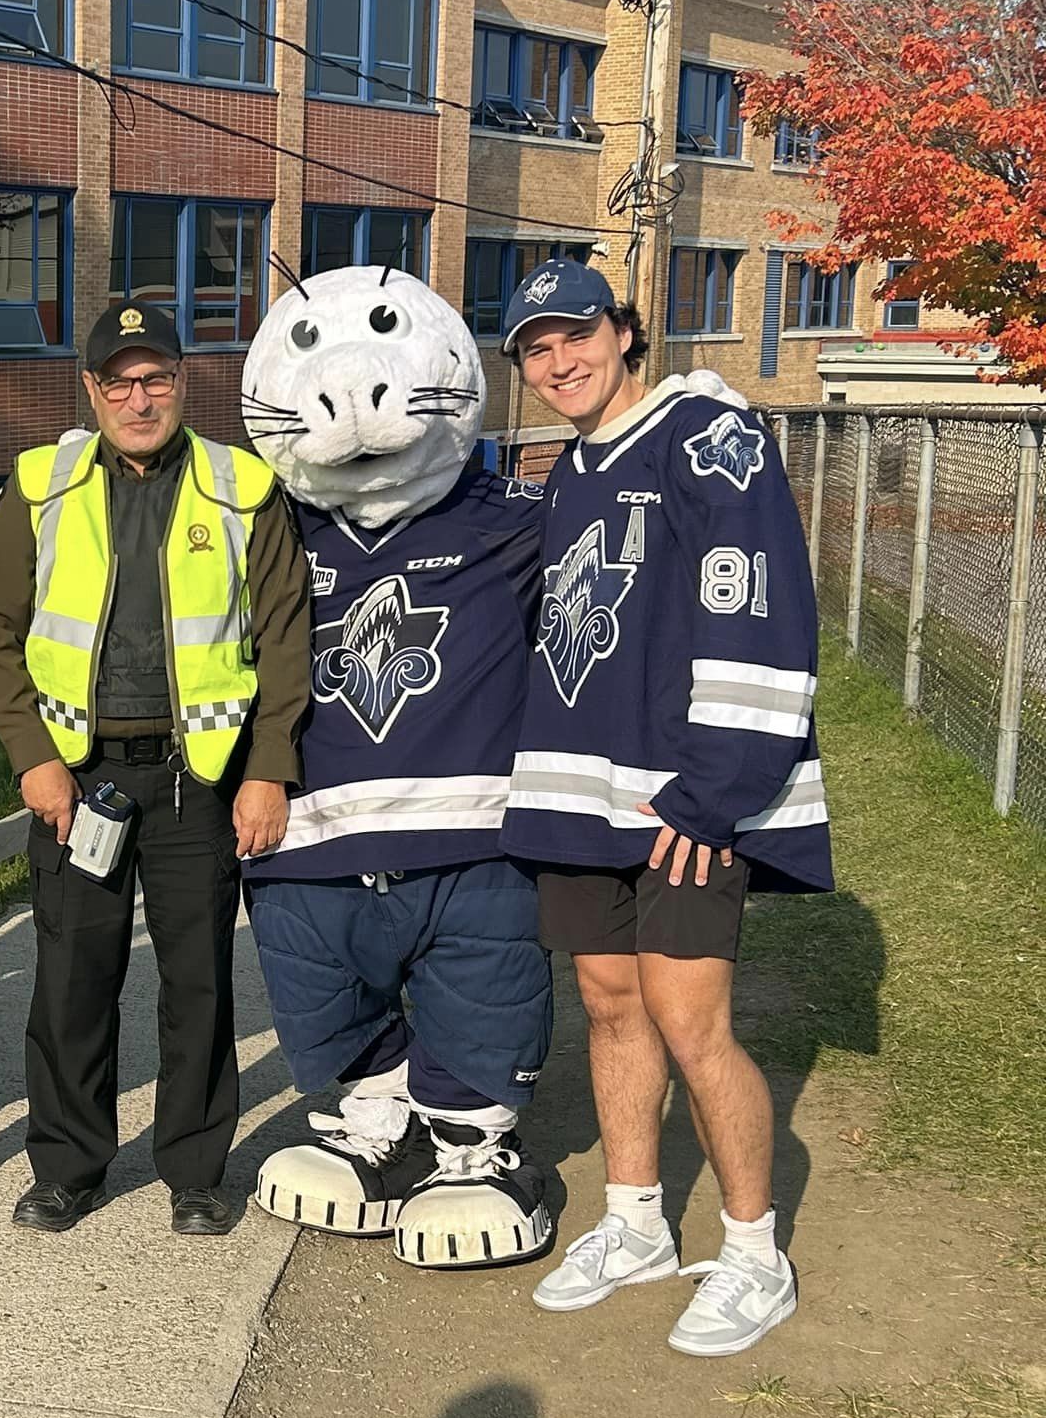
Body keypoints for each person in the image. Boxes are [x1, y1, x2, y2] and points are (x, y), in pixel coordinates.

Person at [496, 259, 834, 1355]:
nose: (559, 362)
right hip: (582, 792)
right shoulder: (571, 466)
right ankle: (635, 1223)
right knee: (608, 1006)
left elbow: (757, 603)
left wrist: (714, 790)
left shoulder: (706, 433)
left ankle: (753, 1252)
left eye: (576, 335)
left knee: (691, 1022)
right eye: (535, 349)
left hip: (680, 798)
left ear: (624, 330)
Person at [236, 264, 557, 1269]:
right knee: (318, 979)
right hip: (310, 828)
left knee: (482, 978)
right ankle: (376, 1120)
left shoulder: (514, 520)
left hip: (470, 829)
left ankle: (473, 1145)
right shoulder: (263, 531)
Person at [0, 302, 311, 1237]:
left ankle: (195, 1172)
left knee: (199, 984)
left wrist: (268, 768)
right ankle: (66, 1168)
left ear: (183, 382)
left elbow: (285, 641)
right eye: (118, 381)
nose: (138, 398)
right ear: (90, 390)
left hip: (199, 778)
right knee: (72, 982)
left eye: (155, 377)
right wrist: (33, 760)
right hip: (78, 781)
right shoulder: (39, 484)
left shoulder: (244, 487)